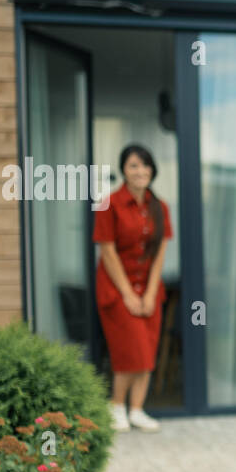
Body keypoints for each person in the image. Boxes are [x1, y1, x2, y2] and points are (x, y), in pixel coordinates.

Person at [92, 144, 172, 433]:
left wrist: (149, 293)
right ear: (124, 171)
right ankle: (116, 406)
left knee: (147, 351)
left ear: (153, 170)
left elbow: (159, 254)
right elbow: (108, 252)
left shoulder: (159, 207)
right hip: (117, 291)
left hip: (148, 290)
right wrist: (128, 294)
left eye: (145, 165)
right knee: (129, 351)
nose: (141, 171)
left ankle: (137, 410)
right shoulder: (108, 204)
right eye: (134, 165)